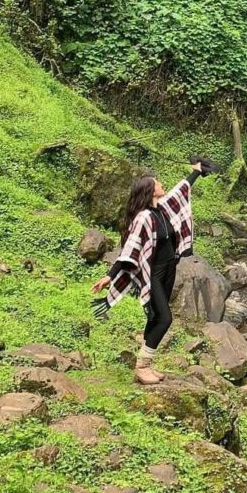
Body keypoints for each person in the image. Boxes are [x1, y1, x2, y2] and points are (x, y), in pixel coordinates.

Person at [91, 159, 213, 385]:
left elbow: (180, 191)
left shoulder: (162, 209)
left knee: (156, 316)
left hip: (169, 269)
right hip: (153, 273)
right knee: (165, 318)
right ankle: (142, 366)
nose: (161, 184)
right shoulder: (143, 217)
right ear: (150, 191)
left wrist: (195, 172)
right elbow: (130, 249)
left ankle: (148, 364)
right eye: (157, 183)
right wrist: (110, 275)